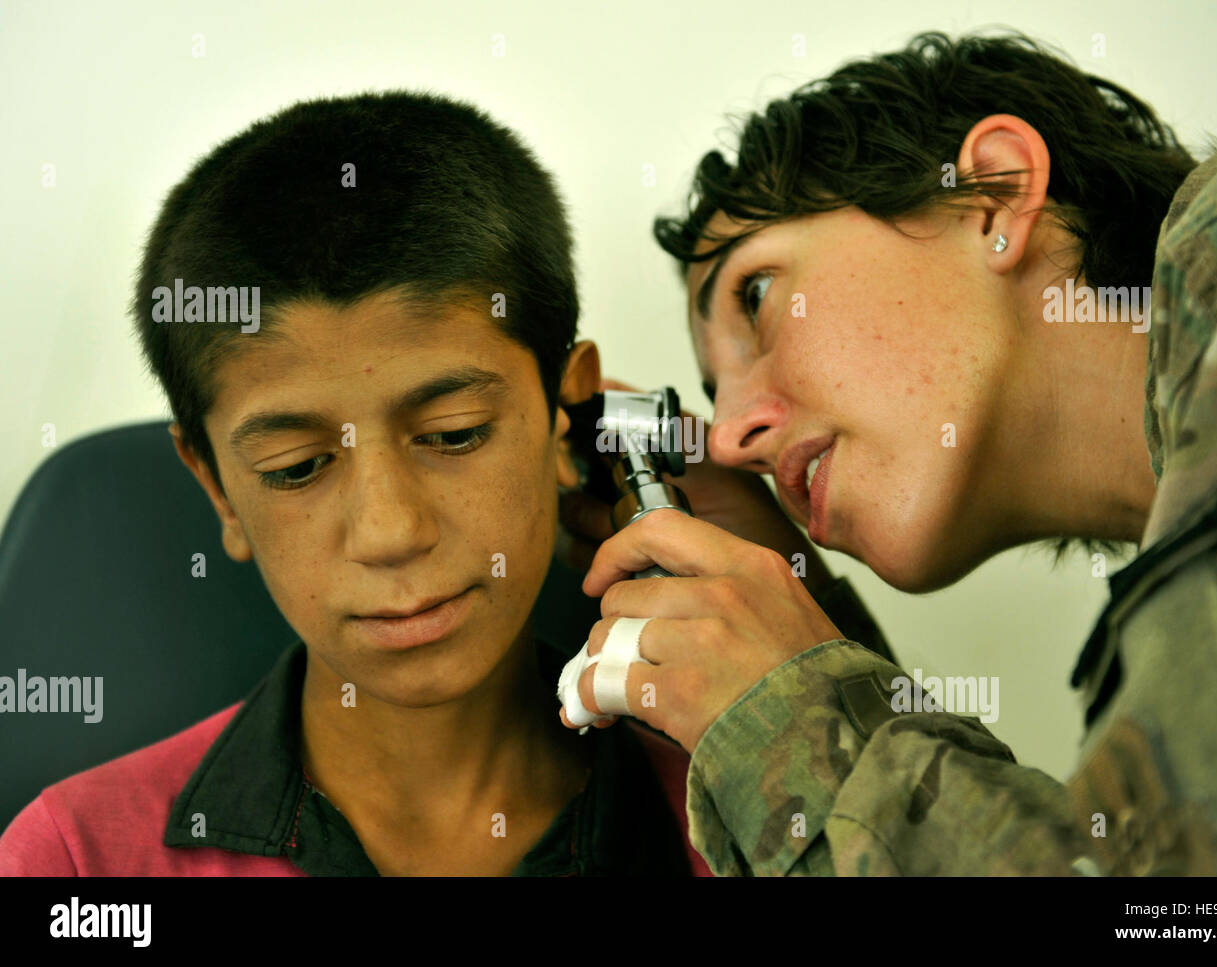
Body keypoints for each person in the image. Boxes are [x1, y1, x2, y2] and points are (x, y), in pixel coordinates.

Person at [556, 31, 1217, 875]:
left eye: (756, 294)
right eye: (714, 391)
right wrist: (801, 656)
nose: (727, 437)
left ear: (994, 194)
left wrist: (790, 711)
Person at [0, 91, 708, 876]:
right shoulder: (77, 862)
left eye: (454, 433)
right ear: (217, 489)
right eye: (297, 468)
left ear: (563, 418)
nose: (389, 530)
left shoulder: (757, 825)